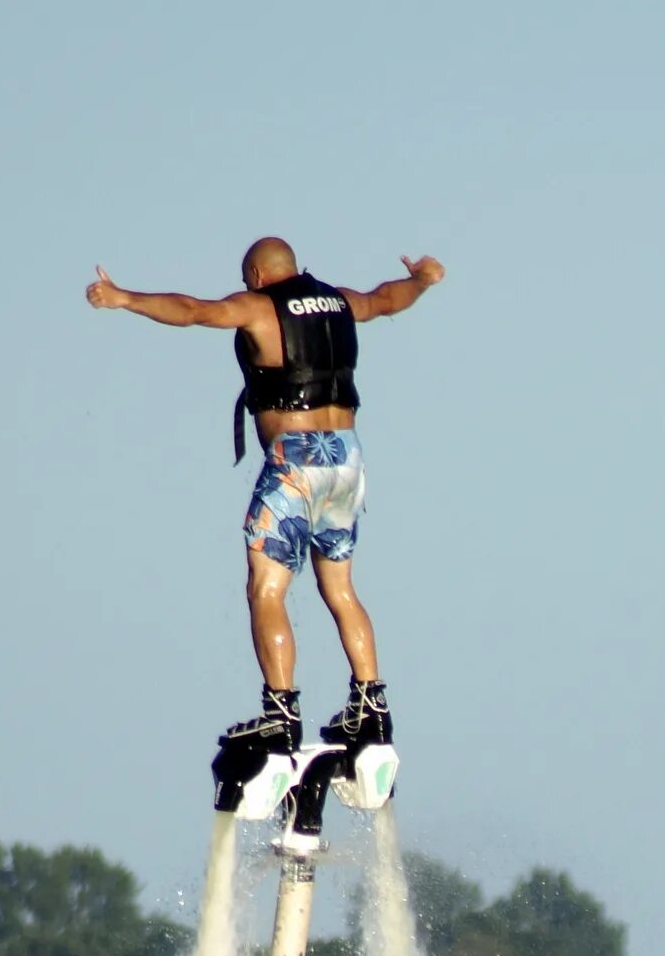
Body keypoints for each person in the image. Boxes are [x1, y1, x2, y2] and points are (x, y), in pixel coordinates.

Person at [85, 237, 443, 768]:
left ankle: (281, 714)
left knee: (266, 588)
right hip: (346, 458)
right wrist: (423, 280)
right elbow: (386, 298)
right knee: (340, 588)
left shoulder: (257, 306)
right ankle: (371, 706)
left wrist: (124, 298)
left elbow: (191, 311)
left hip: (294, 460)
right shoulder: (340, 300)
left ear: (256, 273)